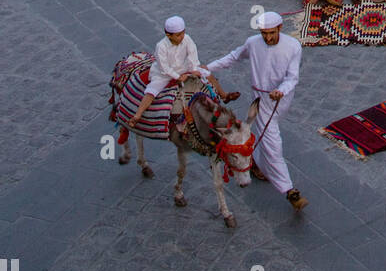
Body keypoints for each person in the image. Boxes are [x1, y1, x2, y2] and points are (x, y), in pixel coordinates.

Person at [206, 11, 308, 211]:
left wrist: (281, 91)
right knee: (273, 143)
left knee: (264, 134)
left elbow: (292, 77)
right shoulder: (253, 43)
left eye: (271, 33)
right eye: (264, 33)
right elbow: (233, 57)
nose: (268, 38)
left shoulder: (293, 46)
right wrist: (207, 68)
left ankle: (256, 163)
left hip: (282, 99)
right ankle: (289, 190)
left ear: (280, 28)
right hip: (261, 101)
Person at [129, 16, 237, 127]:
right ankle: (138, 115)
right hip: (164, 74)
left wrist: (194, 69)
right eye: (178, 35)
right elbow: (164, 67)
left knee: (207, 74)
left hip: (185, 68)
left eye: (183, 33)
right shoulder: (161, 46)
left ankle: (224, 95)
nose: (181, 37)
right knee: (152, 91)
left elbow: (192, 54)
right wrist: (177, 77)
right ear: (168, 35)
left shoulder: (187, 39)